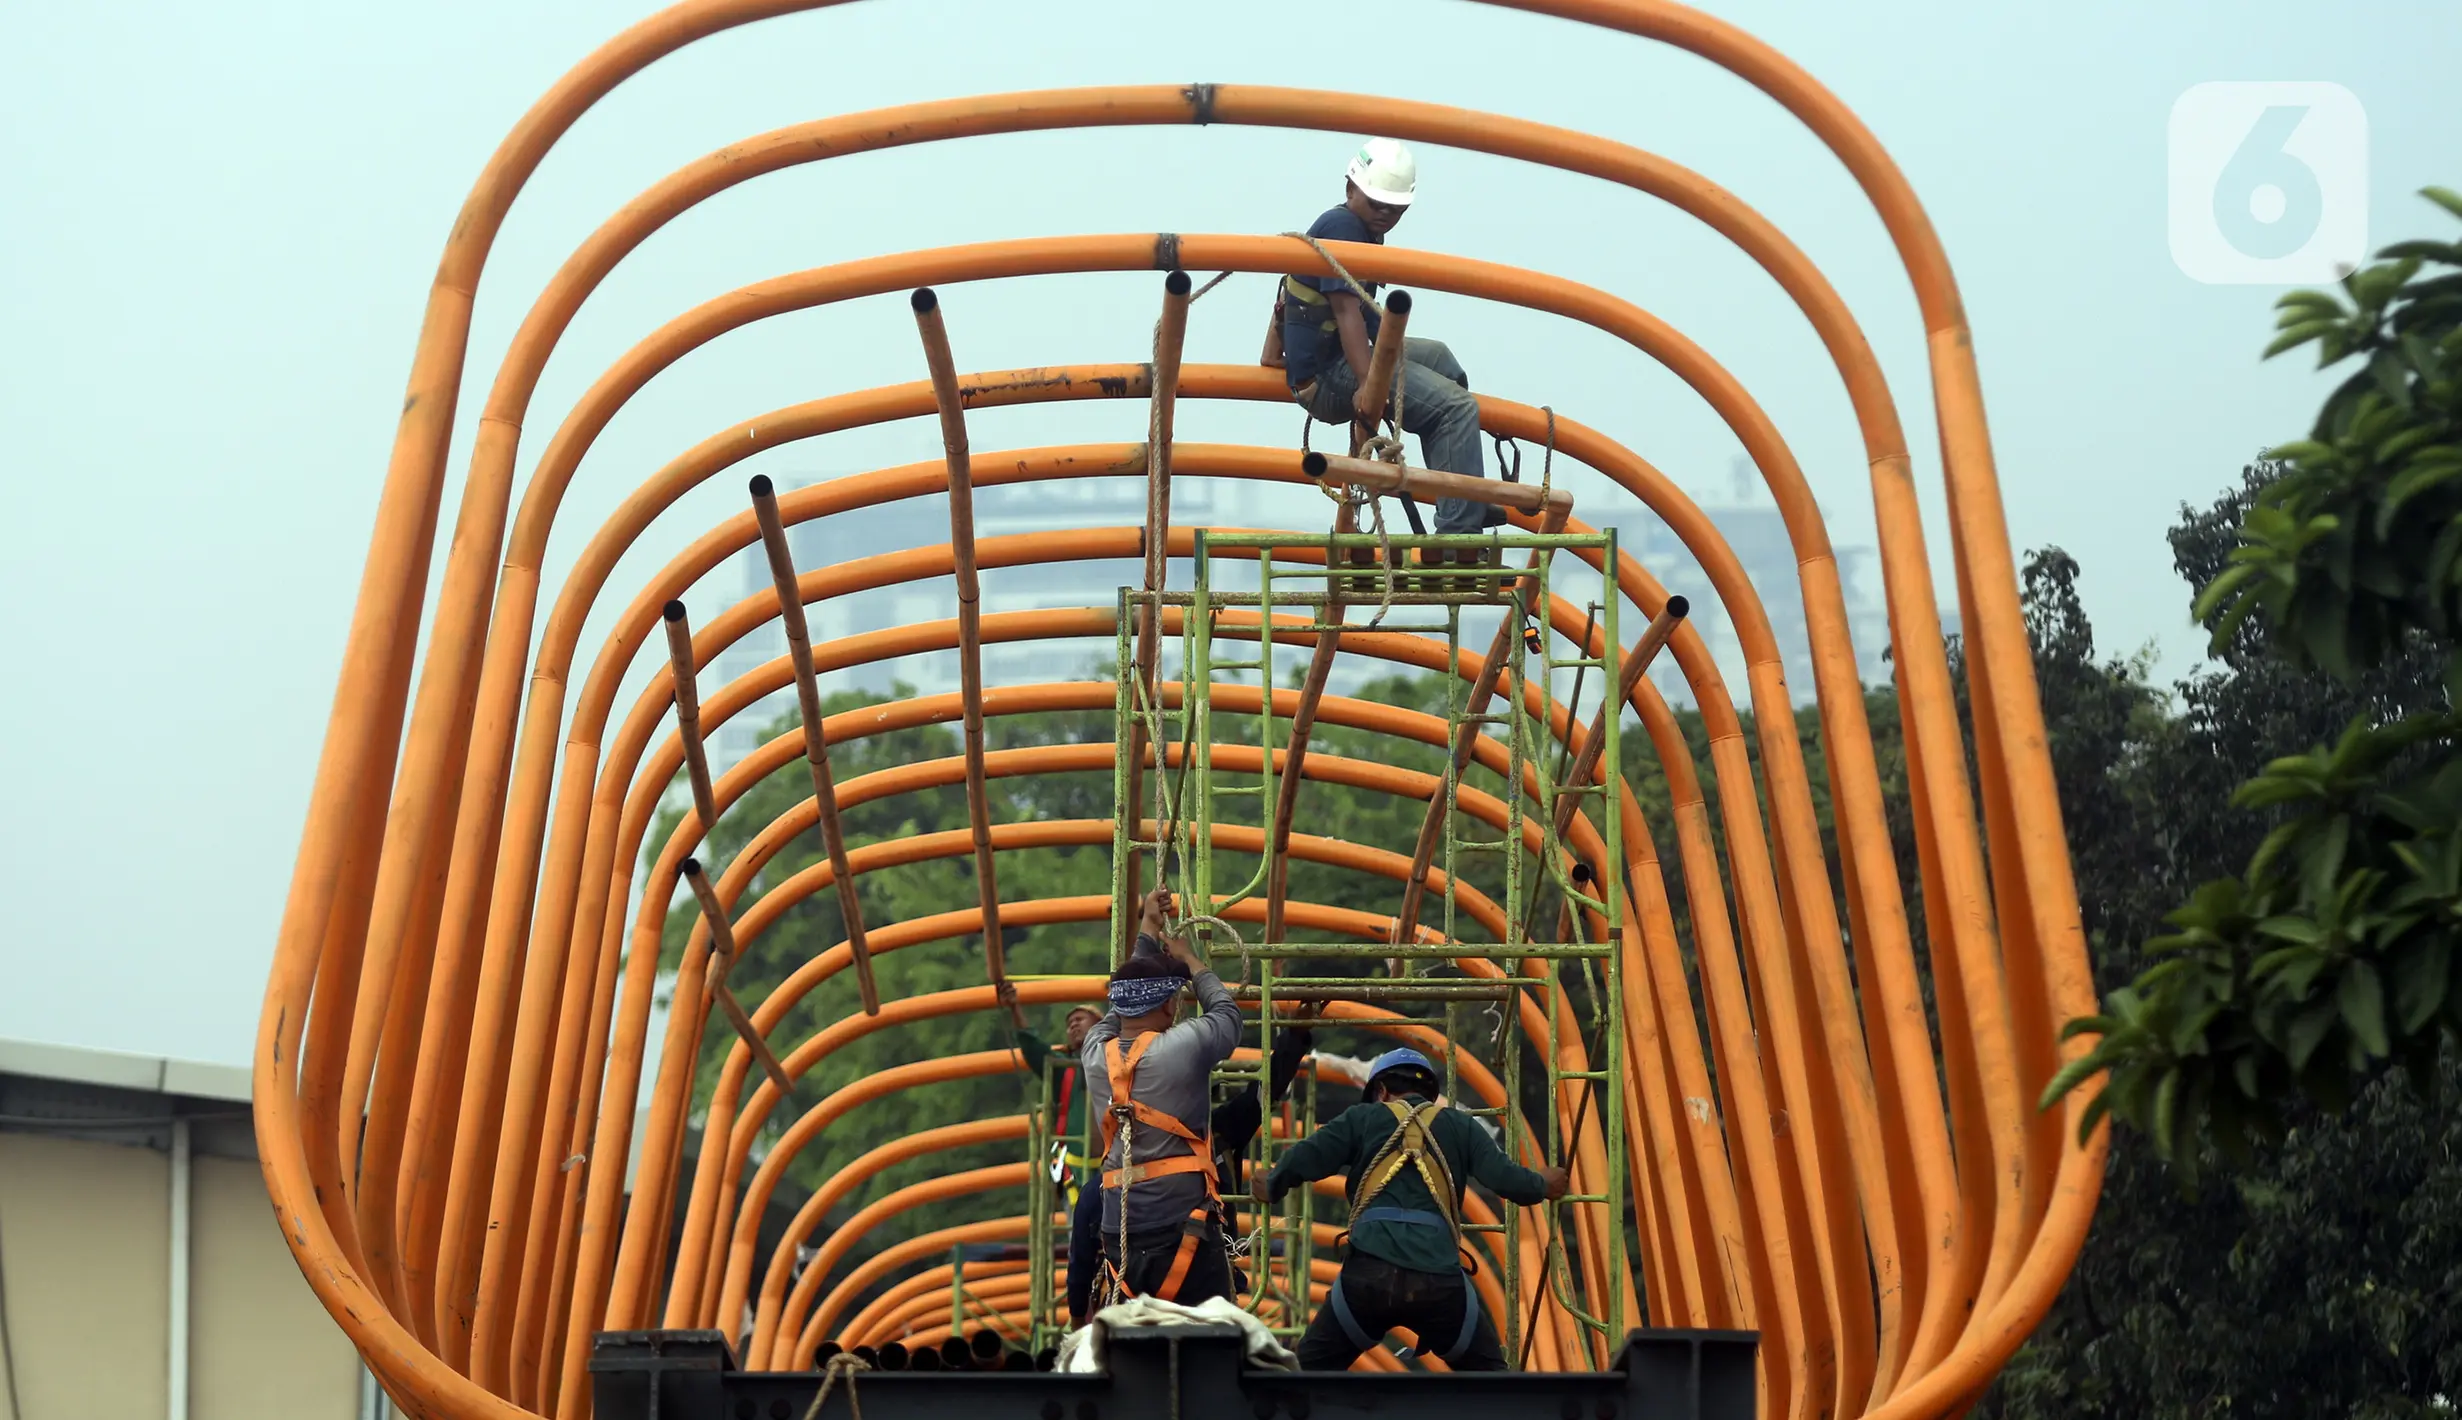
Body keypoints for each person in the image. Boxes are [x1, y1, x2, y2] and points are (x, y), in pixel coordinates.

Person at [1263, 1047, 1570, 1371]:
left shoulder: (1362, 1118)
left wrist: (1271, 1183)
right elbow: (1508, 1181)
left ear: (1380, 1091)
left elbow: (1307, 1157)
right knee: (1491, 1380)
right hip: (1438, 1281)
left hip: (1368, 1277)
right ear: (1428, 1093)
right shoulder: (1460, 1126)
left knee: (1300, 1379)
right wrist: (1542, 1183)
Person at [1266, 137, 1504, 539]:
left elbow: (1368, 320)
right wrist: (1368, 384)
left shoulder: (1365, 234)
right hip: (1329, 376)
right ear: (1350, 190)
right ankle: (1459, 530)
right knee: (1457, 408)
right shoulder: (1342, 227)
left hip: (1342, 357)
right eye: (1377, 205)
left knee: (1440, 360)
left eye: (1395, 210)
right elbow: (1345, 312)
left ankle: (1463, 490)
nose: (1385, 216)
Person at [1078, 889, 1243, 1316]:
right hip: (1183, 1228)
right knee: (1214, 1342)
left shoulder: (1096, 1052)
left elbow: (1122, 1007)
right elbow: (1227, 1014)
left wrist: (1149, 929)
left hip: (1121, 1233)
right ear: (1171, 1006)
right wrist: (1190, 958)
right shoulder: (1182, 1046)